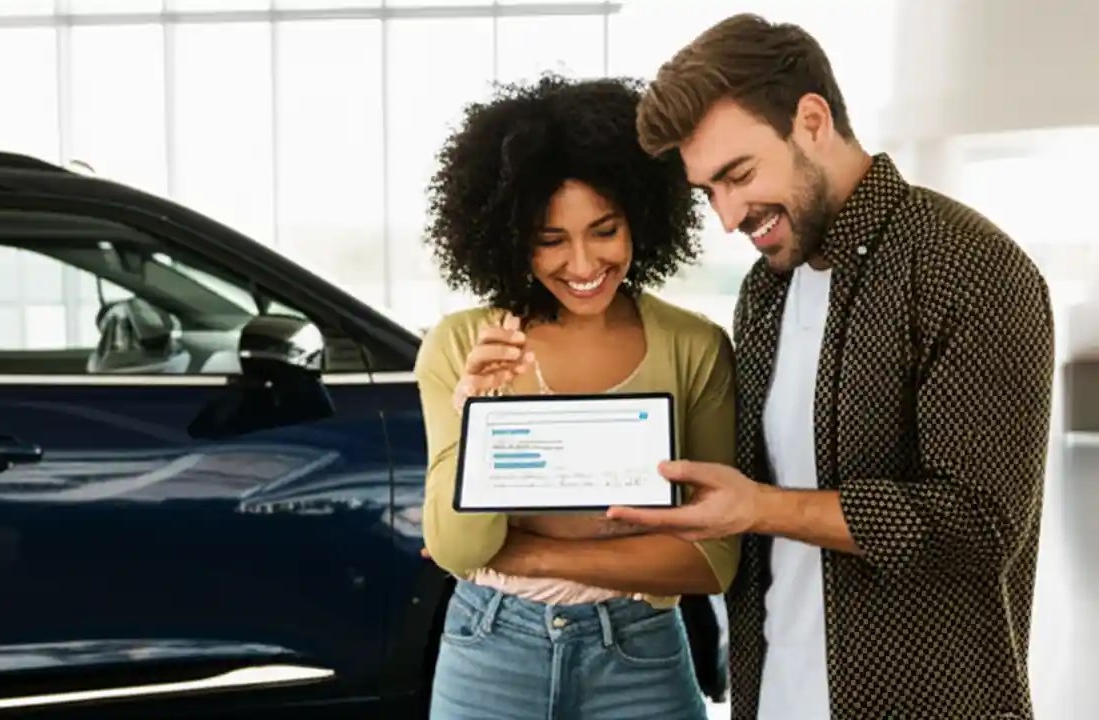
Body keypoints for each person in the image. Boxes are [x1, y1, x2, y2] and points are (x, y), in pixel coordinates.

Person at [600, 13, 1055, 720]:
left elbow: (980, 523)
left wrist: (762, 508)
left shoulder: (969, 267)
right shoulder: (765, 290)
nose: (727, 217)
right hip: (775, 695)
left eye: (738, 175)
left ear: (812, 120)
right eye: (707, 192)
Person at [414, 74, 741, 720]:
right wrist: (480, 417)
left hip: (640, 655)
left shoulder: (693, 348)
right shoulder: (461, 347)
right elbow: (457, 551)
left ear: (641, 218)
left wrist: (535, 553)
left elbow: (711, 560)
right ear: (512, 238)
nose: (584, 263)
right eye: (550, 240)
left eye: (604, 229)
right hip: (489, 650)